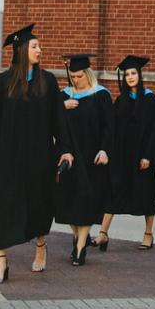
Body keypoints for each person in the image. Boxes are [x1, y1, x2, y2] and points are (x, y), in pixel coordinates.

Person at [0, 24, 72, 282]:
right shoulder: (3, 82)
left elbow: (59, 118)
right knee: (4, 205)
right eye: (35, 46)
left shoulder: (47, 81)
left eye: (39, 46)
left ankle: (40, 246)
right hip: (9, 155)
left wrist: (66, 150)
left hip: (40, 155)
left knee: (39, 202)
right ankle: (1, 262)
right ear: (22, 50)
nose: (39, 50)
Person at [97, 55, 155, 249]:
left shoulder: (151, 100)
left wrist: (148, 156)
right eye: (127, 74)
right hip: (122, 156)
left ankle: (148, 234)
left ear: (140, 75)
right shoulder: (121, 100)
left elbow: (154, 131)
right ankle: (103, 233)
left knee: (146, 194)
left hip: (142, 156)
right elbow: (113, 128)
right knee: (114, 191)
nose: (130, 77)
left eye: (133, 73)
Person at [54, 54, 114, 265]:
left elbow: (109, 127)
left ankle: (80, 248)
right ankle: (79, 236)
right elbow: (52, 122)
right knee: (68, 201)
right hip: (68, 155)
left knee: (87, 200)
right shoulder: (63, 96)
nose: (75, 80)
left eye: (79, 76)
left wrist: (105, 150)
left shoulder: (101, 95)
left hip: (91, 157)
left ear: (87, 74)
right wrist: (61, 108)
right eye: (72, 76)